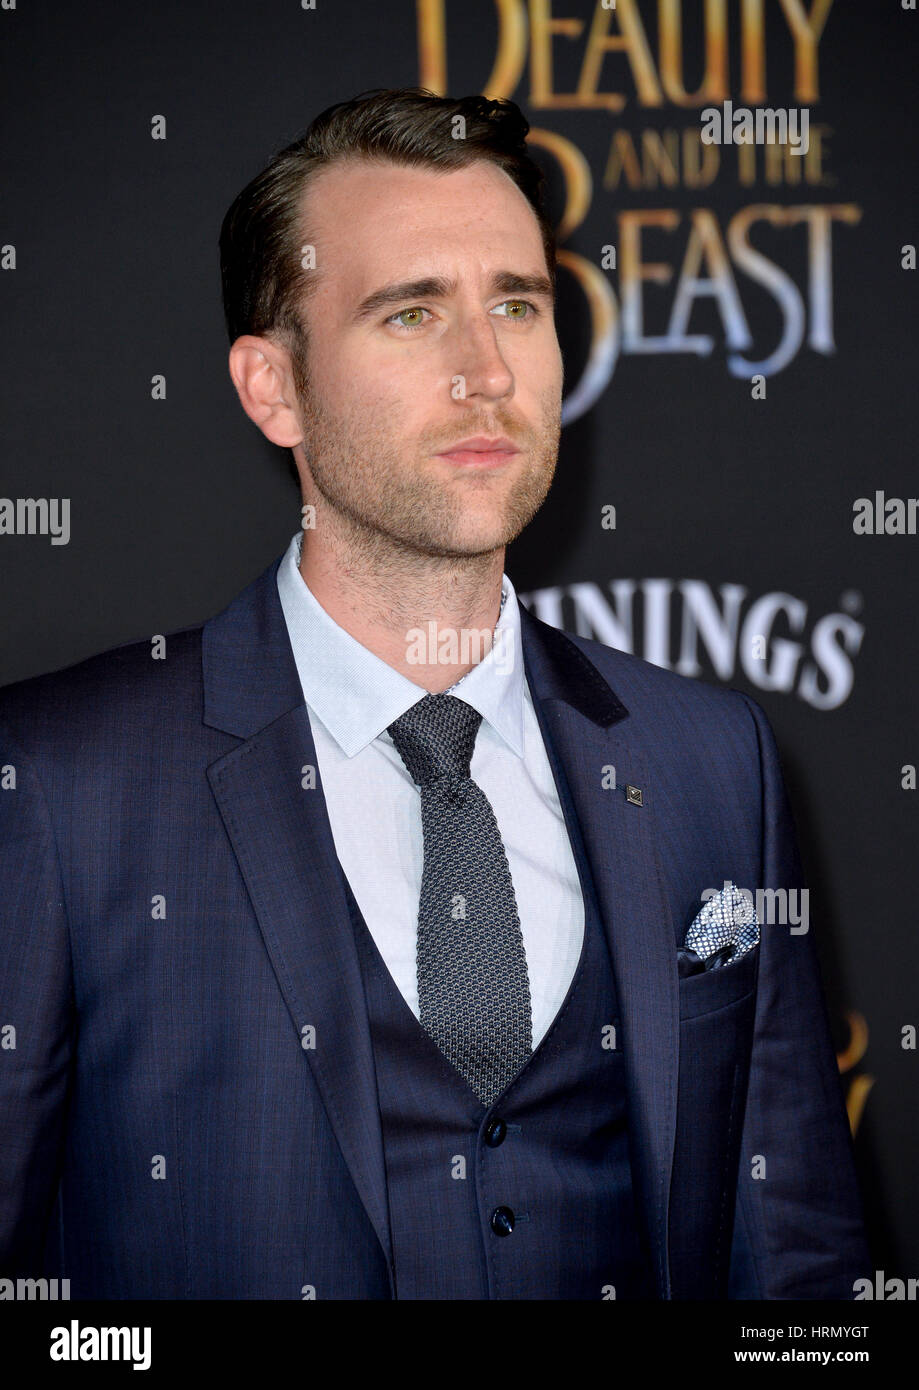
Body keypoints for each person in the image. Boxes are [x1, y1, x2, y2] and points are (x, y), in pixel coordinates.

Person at [0, 88, 870, 1299]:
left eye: (517, 304)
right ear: (274, 390)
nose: (486, 371)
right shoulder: (58, 783)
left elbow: (795, 1262)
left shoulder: (708, 756)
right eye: (411, 314)